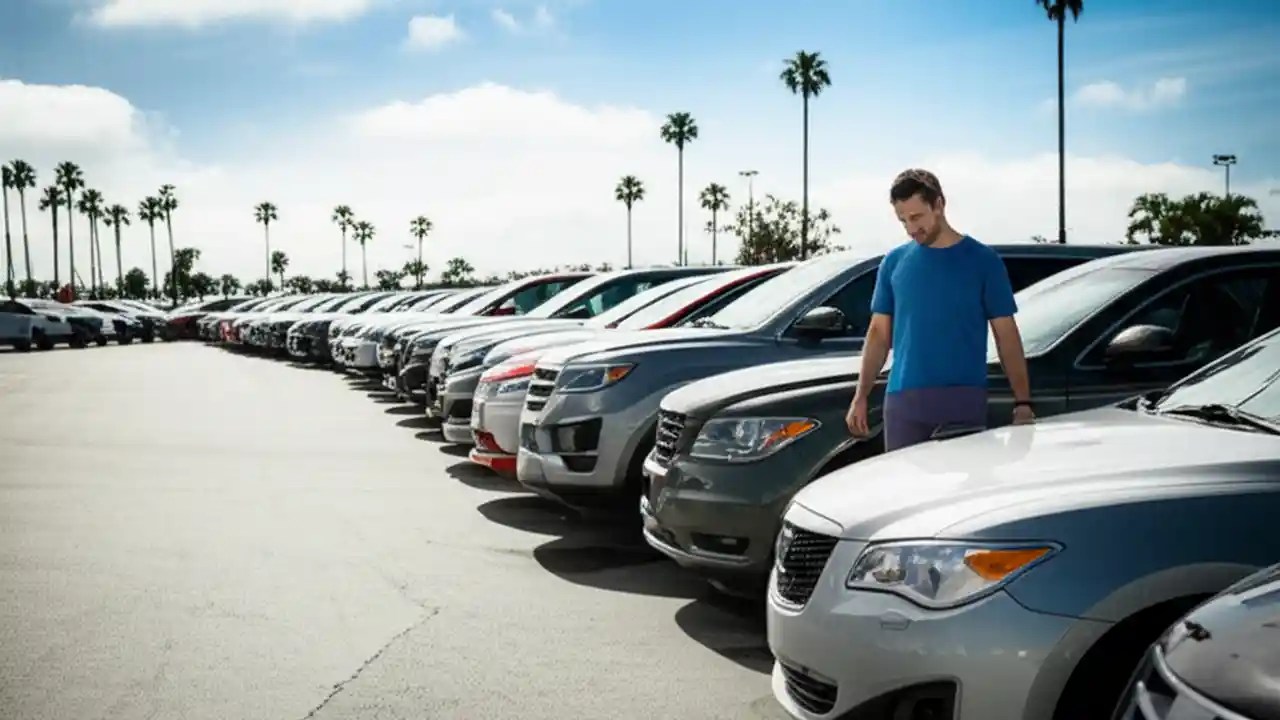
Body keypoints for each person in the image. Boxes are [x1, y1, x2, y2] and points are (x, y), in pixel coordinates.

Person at [846, 169, 1034, 452]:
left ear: (939, 204)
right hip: (902, 404)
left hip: (962, 401)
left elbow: (1006, 335)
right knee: (905, 493)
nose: (911, 229)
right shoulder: (894, 263)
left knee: (962, 497)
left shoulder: (983, 261)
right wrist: (860, 396)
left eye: (917, 217)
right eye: (903, 221)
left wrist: (1023, 402)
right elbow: (878, 335)